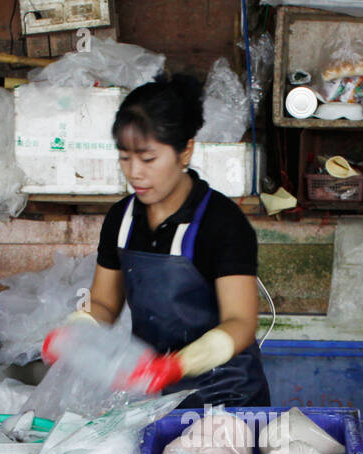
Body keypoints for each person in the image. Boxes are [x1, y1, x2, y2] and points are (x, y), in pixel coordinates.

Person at [60, 73, 271, 408]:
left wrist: (177, 365)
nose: (134, 173)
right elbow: (104, 303)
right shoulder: (122, 219)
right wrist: (77, 329)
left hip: (228, 398)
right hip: (154, 398)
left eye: (148, 158)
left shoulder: (221, 222)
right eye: (124, 157)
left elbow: (241, 323)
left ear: (184, 151)